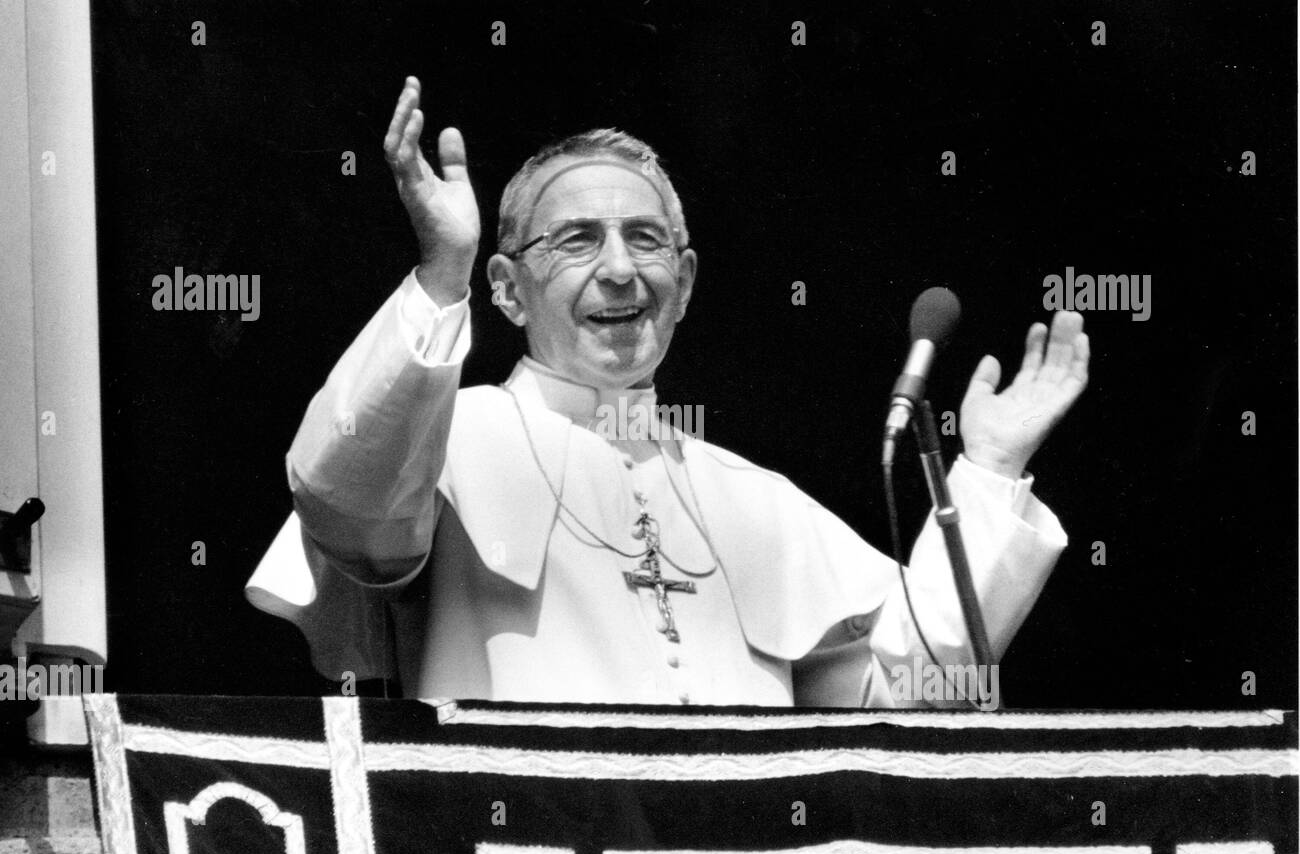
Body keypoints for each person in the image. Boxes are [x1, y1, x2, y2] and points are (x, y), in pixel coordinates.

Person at [246, 77, 1090, 708]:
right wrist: (440, 276)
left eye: (645, 240)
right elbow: (342, 501)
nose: (621, 269)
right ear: (506, 289)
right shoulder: (450, 436)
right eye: (577, 240)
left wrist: (988, 475)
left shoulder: (755, 498)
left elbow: (911, 692)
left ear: (682, 283)